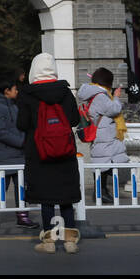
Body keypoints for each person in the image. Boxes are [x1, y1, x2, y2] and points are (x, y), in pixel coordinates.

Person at [16, 52, 82, 254]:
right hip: (65, 151)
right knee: (66, 198)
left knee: (46, 198)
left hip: (39, 153)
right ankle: (70, 241)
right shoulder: (65, 91)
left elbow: (22, 124)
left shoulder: (28, 94)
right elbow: (73, 120)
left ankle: (49, 242)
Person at [0, 80, 37, 228]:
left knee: (20, 185)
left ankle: (22, 214)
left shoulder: (14, 105)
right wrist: (21, 142)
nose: (17, 91)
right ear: (7, 90)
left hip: (18, 153)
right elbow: (0, 132)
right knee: (2, 186)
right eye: (15, 89)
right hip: (4, 153)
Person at [77, 67, 129, 205]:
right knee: (102, 164)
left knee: (104, 163)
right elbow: (114, 109)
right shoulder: (100, 95)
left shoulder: (94, 93)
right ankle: (100, 193)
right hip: (103, 134)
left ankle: (102, 192)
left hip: (102, 133)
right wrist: (117, 96)